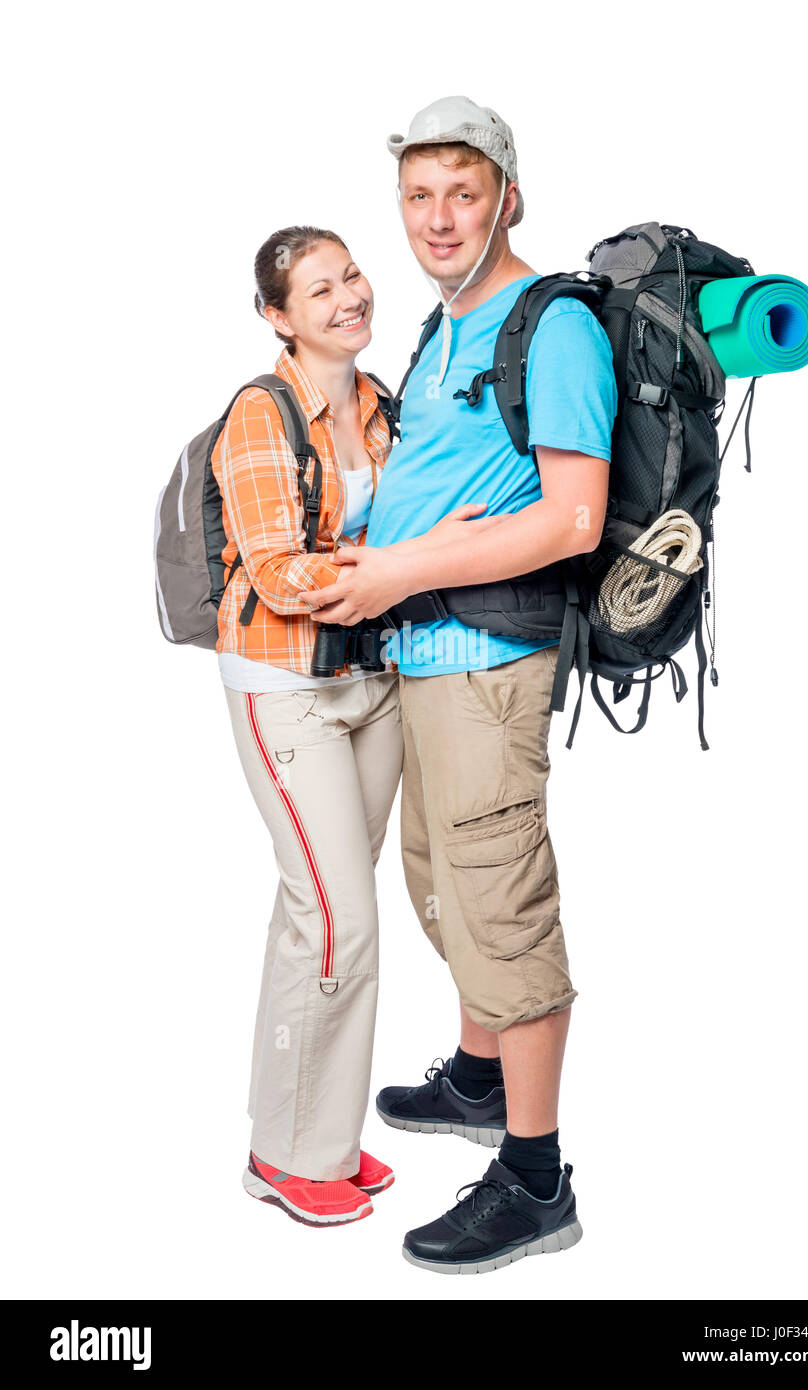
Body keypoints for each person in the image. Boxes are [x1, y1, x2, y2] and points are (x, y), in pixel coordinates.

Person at [300, 96, 618, 1272]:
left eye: (464, 195)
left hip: (488, 664)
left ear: (509, 199)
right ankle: (482, 1079)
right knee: (443, 877)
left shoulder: (553, 326)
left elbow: (573, 519)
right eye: (419, 197)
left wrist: (407, 570)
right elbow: (442, 486)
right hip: (425, 656)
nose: (438, 219)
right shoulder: (444, 326)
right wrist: (364, 553)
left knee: (502, 902)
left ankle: (535, 1182)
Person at [211, 225, 405, 1227]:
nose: (347, 297)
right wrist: (391, 574)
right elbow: (279, 572)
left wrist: (406, 565)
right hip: (285, 685)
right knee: (339, 920)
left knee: (323, 915)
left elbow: (411, 530)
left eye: (353, 275)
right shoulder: (259, 414)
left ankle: (313, 1129)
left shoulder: (379, 404)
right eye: (319, 288)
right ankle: (286, 1155)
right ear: (278, 315)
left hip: (373, 680)